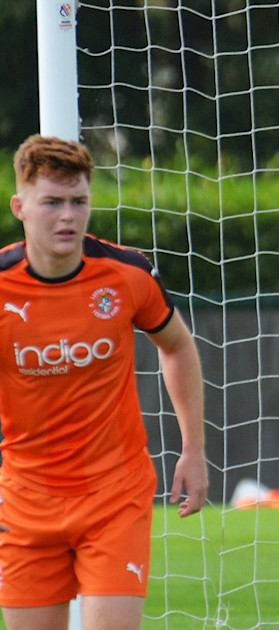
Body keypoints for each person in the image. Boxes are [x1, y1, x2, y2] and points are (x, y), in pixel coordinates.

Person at [0, 135, 209, 630]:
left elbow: (177, 346)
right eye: (52, 202)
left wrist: (193, 449)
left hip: (115, 495)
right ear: (20, 207)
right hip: (25, 499)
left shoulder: (127, 274)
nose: (68, 217)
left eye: (79, 201)